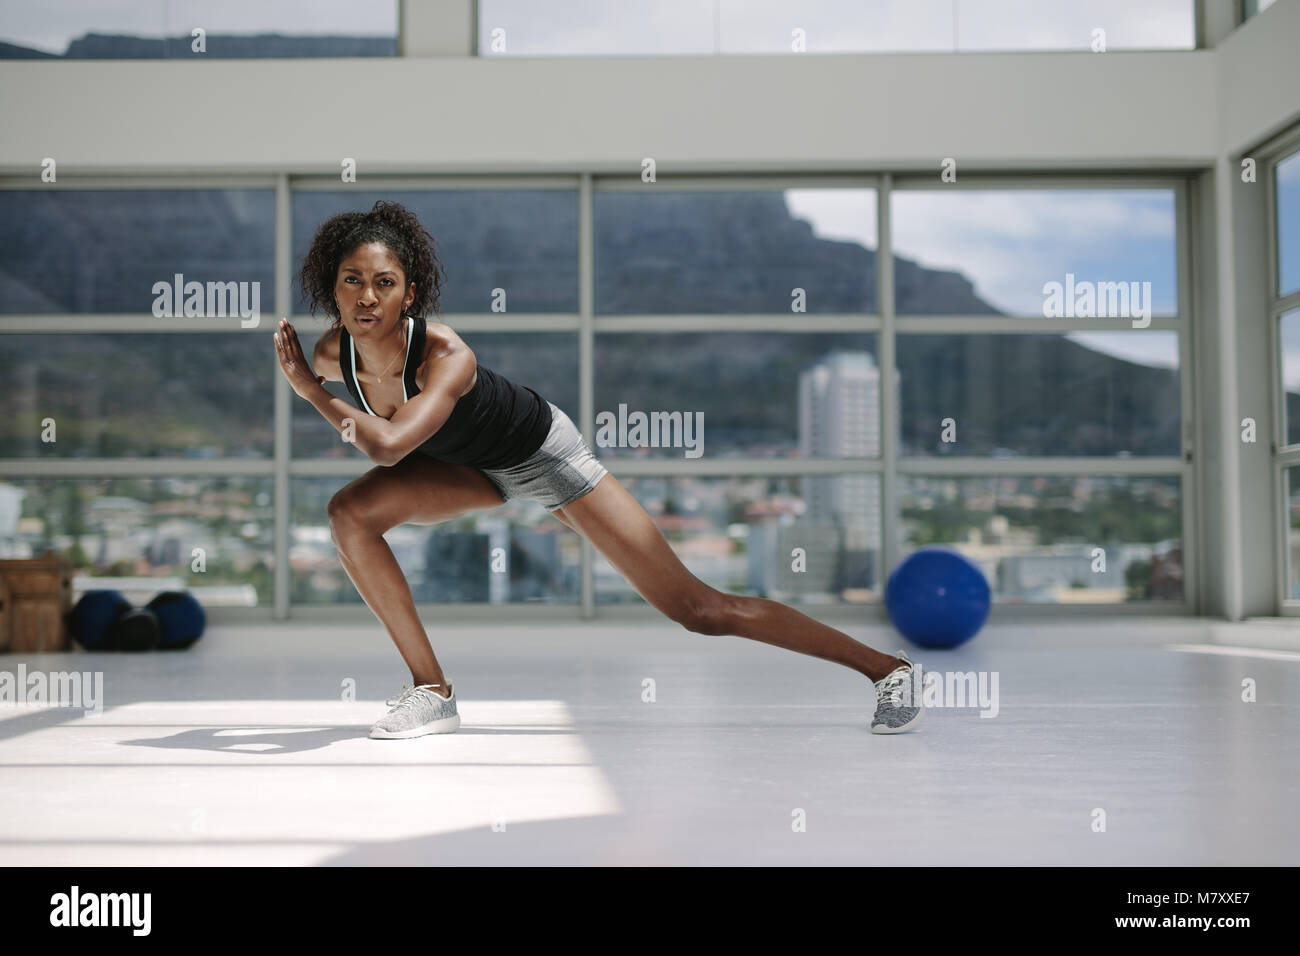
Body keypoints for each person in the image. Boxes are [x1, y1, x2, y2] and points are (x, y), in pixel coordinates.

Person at [273, 200, 923, 739]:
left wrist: (308, 393)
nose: (366, 296)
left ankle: (886, 669)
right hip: (467, 467)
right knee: (349, 515)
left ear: (409, 294)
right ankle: (431, 691)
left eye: (384, 282)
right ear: (332, 287)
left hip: (542, 455)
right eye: (352, 280)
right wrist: (317, 380)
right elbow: (384, 437)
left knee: (697, 608)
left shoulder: (444, 356)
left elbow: (387, 446)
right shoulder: (332, 354)